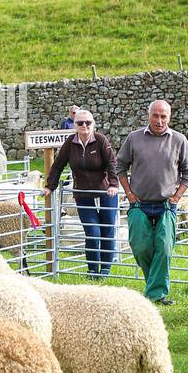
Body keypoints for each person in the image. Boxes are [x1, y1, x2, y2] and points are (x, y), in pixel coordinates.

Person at [114, 100, 188, 305]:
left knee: (165, 247)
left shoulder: (179, 140)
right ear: (148, 115)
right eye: (155, 116)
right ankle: (154, 287)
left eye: (163, 116)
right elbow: (120, 166)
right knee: (140, 247)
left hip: (167, 205)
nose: (159, 120)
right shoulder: (134, 138)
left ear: (169, 117)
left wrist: (177, 196)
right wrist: (129, 194)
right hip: (139, 204)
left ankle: (156, 294)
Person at [44, 109, 119, 277]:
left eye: (88, 122)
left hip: (106, 191)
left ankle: (105, 269)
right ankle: (93, 269)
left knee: (107, 230)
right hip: (83, 192)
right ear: (74, 125)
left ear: (93, 124)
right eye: (80, 123)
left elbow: (111, 163)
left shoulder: (100, 140)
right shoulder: (70, 143)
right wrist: (50, 186)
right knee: (92, 232)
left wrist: (113, 184)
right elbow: (58, 164)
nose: (84, 125)